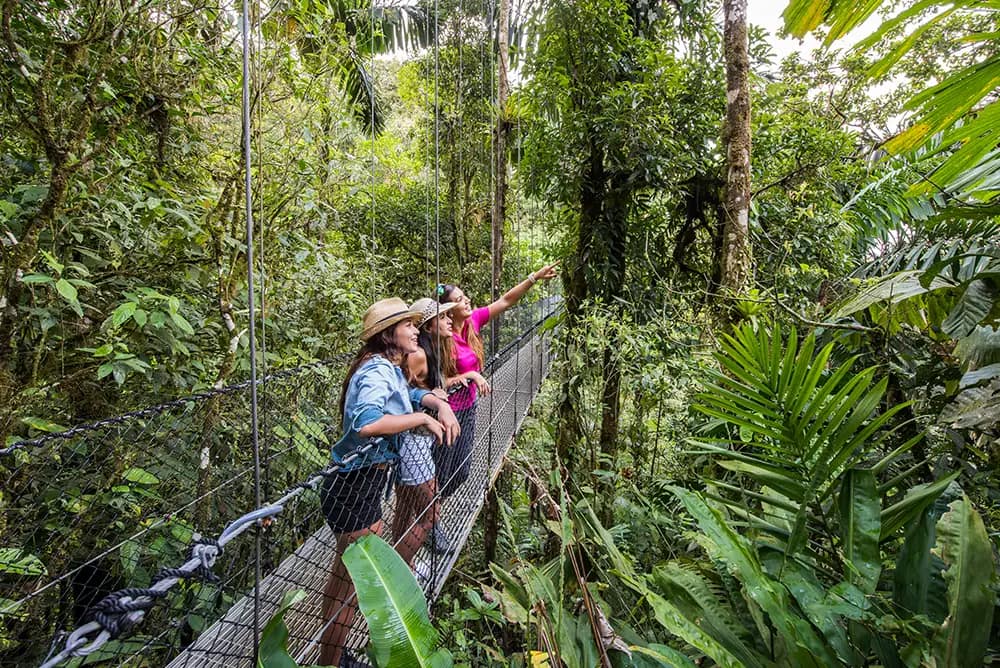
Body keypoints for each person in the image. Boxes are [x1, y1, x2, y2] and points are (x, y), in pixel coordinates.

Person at [318, 298, 460, 668]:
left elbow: (406, 395)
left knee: (343, 585)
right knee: (347, 590)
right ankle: (332, 661)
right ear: (388, 334)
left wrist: (434, 403)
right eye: (408, 325)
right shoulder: (377, 372)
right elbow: (366, 424)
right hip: (355, 488)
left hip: (360, 483)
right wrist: (420, 421)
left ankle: (333, 657)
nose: (416, 330)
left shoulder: (385, 367)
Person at [434, 262, 559, 515]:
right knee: (442, 471)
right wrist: (468, 376)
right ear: (448, 309)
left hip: (469, 408)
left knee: (461, 472)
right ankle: (429, 519)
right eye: (460, 299)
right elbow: (432, 384)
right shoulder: (441, 338)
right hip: (447, 412)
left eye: (464, 295)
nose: (467, 300)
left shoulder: (473, 323)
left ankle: (431, 512)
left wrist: (534, 277)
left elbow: (506, 300)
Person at [393, 297, 459, 561]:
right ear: (429, 325)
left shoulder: (432, 351)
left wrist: (431, 392)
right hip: (413, 440)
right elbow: (402, 391)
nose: (449, 321)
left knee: (404, 507)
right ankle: (396, 572)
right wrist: (431, 396)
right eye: (442, 317)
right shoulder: (418, 355)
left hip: (417, 438)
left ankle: (401, 565)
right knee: (430, 514)